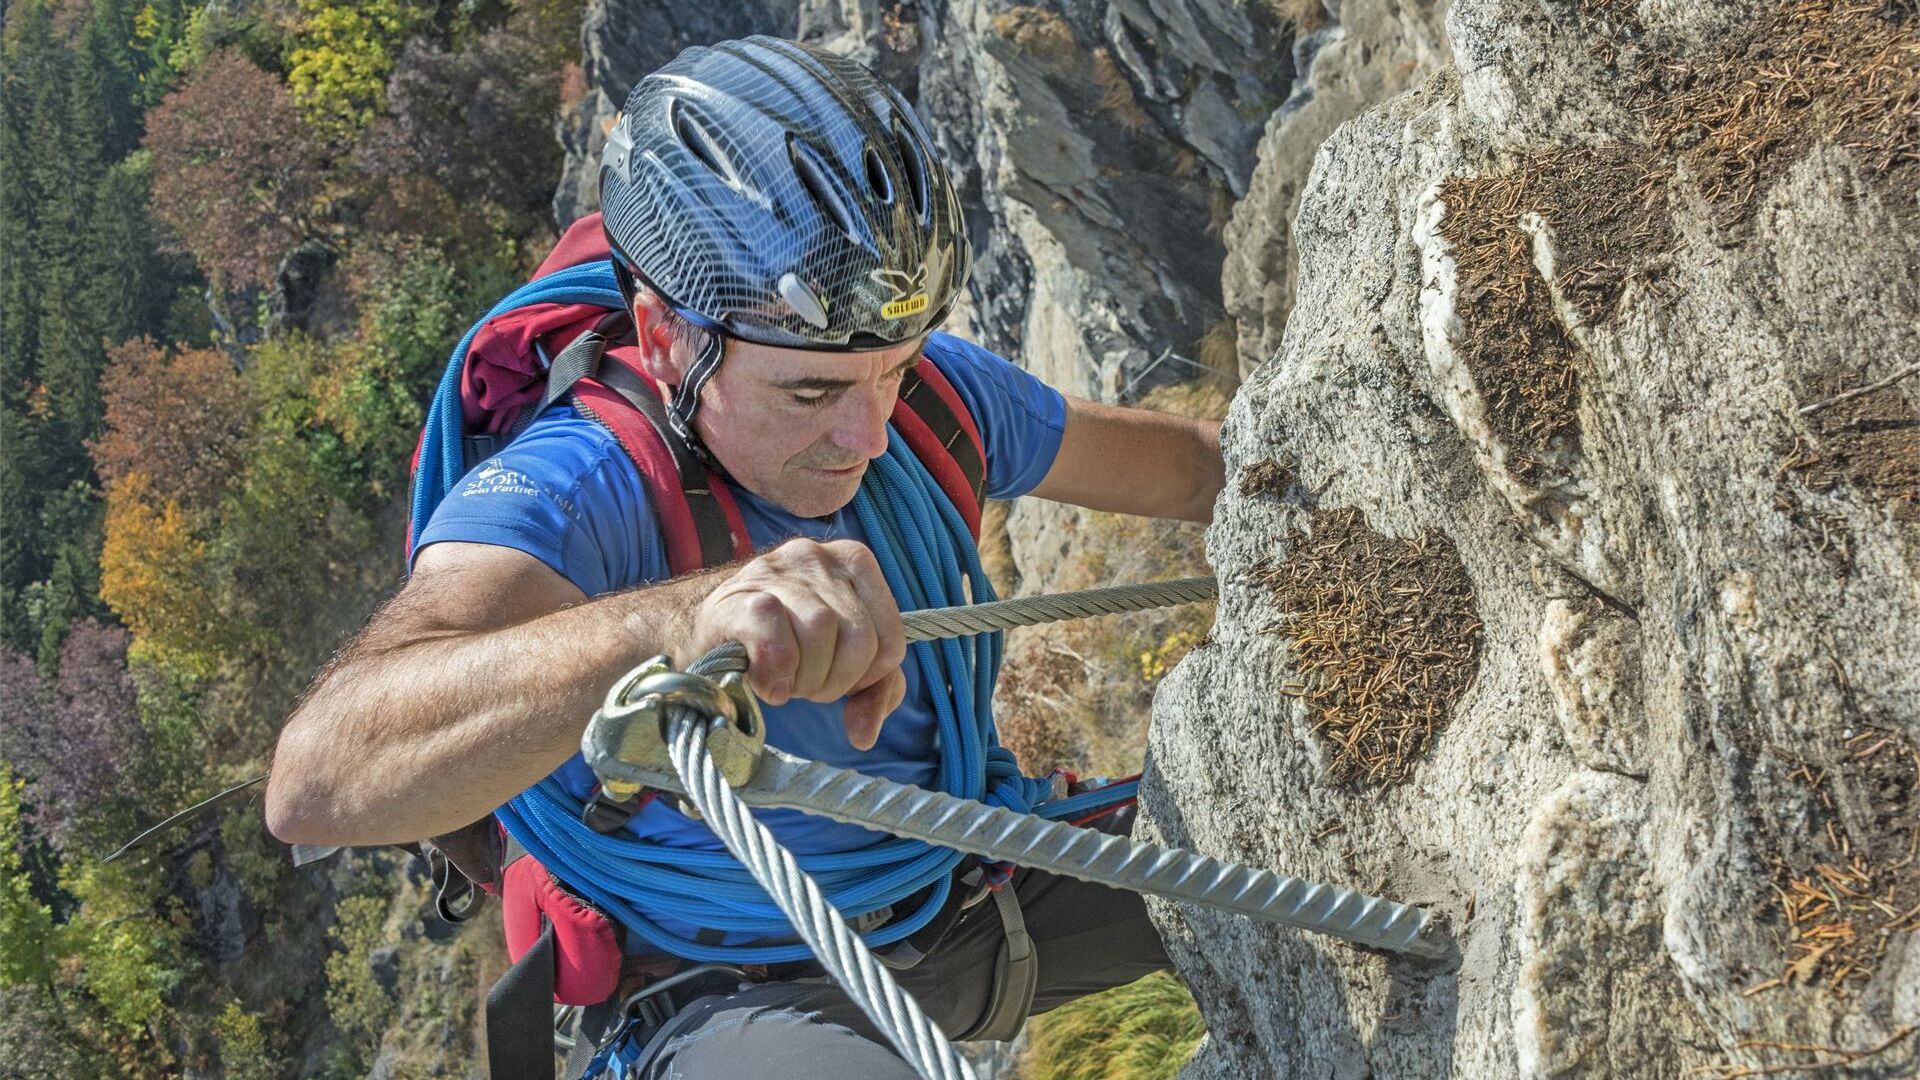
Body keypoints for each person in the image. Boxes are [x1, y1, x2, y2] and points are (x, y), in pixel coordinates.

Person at [266, 35, 1224, 1077]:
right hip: (721, 996)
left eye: (890, 375)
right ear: (666, 335)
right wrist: (682, 621)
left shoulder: (933, 403)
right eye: (809, 394)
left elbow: (1193, 476)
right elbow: (317, 777)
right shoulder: (586, 484)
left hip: (971, 886)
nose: (866, 436)